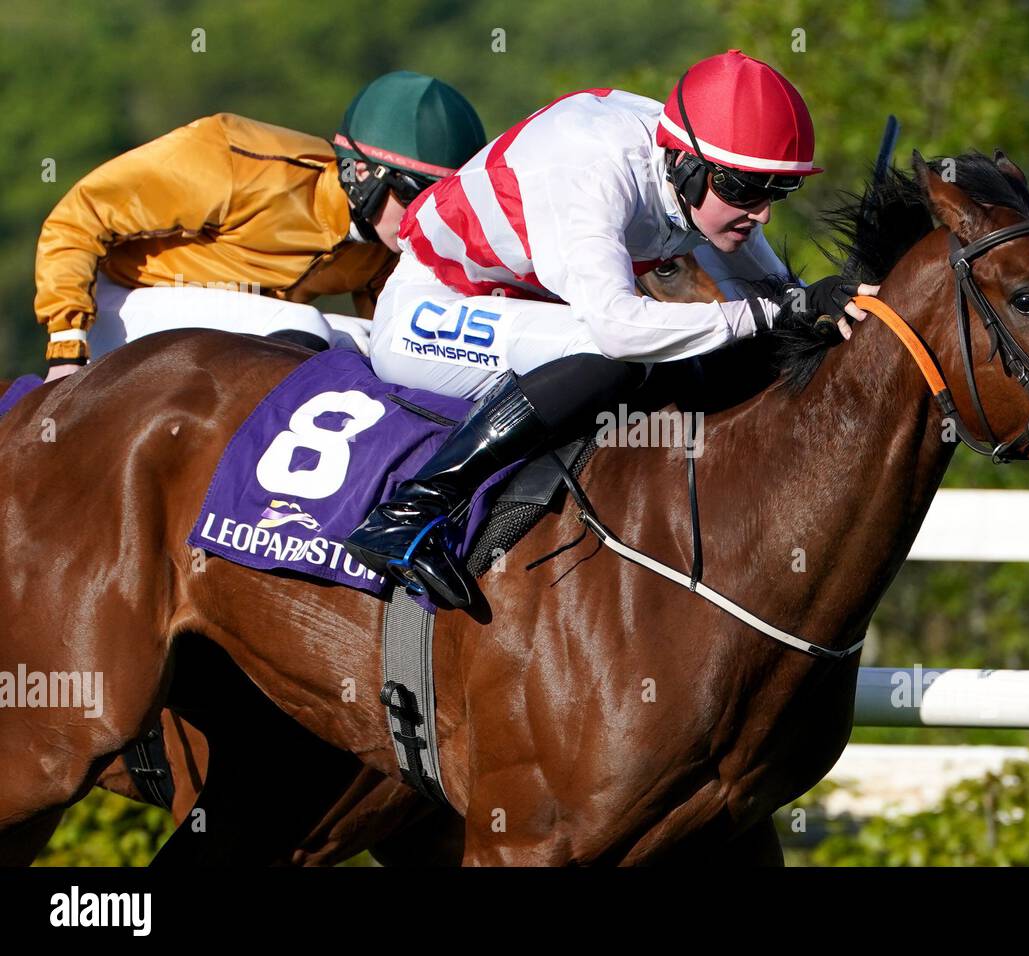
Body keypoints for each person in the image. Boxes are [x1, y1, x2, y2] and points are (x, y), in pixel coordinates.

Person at [345, 50, 877, 610]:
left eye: (777, 192)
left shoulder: (690, 175)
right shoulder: (596, 171)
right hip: (429, 310)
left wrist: (827, 302)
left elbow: (775, 295)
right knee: (616, 355)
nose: (764, 213)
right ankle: (410, 513)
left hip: (516, 305)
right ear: (689, 167)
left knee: (700, 348)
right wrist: (779, 311)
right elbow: (620, 330)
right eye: (748, 190)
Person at [35, 71, 485, 381]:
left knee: (370, 344)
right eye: (414, 194)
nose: (426, 218)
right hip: (116, 307)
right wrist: (66, 348)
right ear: (362, 173)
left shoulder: (384, 251)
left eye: (442, 203)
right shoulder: (232, 159)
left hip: (227, 337)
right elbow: (77, 218)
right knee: (302, 324)